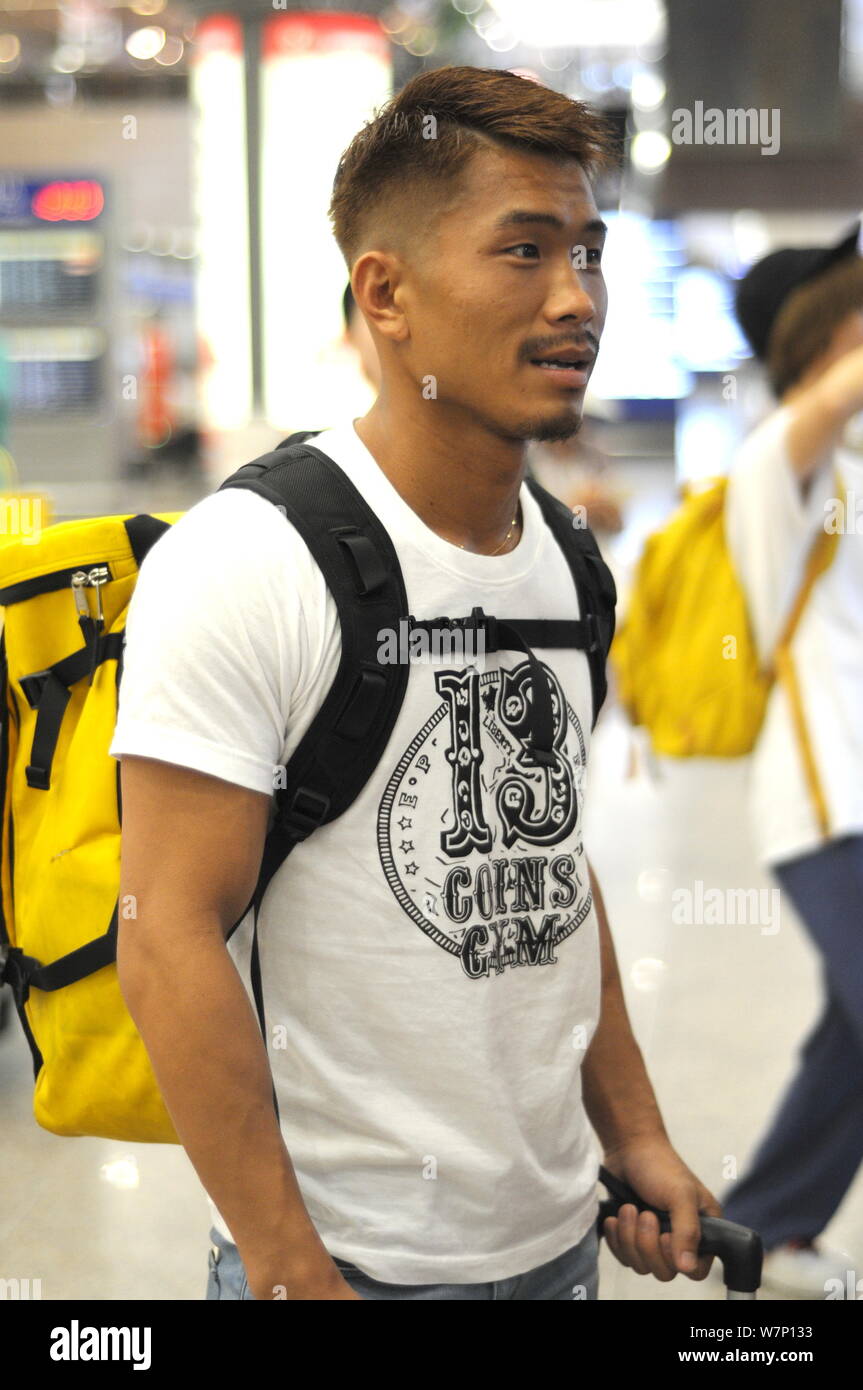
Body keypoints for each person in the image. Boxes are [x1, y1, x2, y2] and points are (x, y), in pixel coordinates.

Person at [110, 64, 719, 1302]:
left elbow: (550, 879)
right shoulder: (247, 560)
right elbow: (165, 934)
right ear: (384, 293)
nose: (577, 298)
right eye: (525, 251)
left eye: (590, 253)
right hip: (347, 1262)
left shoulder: (565, 562)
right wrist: (287, 1269)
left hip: (557, 1244)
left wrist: (635, 1135)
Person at [722, 222, 863, 1297]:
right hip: (828, 810)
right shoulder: (775, 465)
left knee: (848, 1039)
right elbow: (805, 427)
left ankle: (766, 1224)